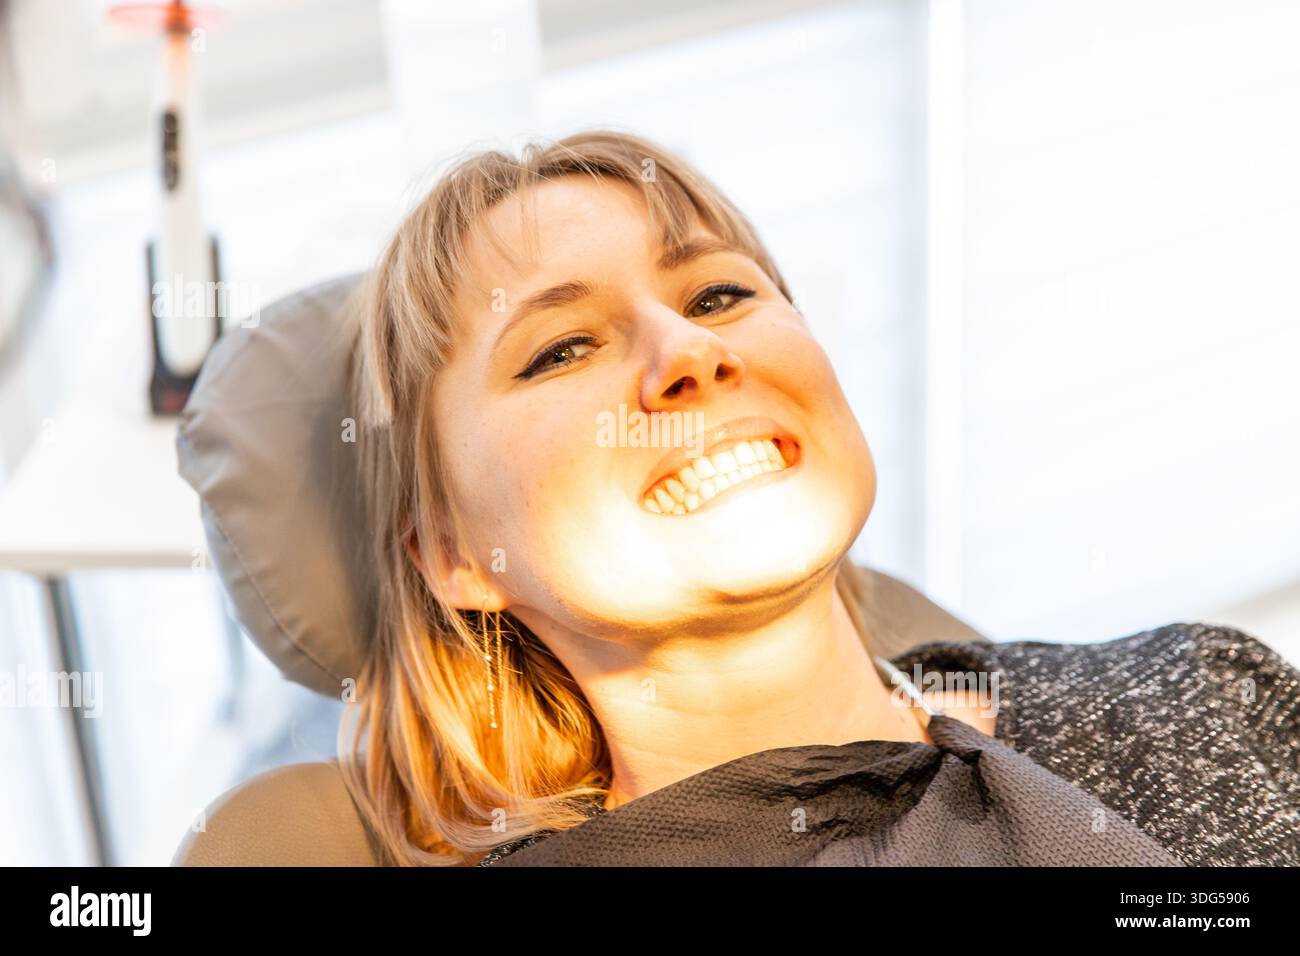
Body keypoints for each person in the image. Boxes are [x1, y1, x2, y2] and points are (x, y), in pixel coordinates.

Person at [341, 129, 1300, 867]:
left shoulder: (1206, 687)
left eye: (716, 296)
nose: (688, 352)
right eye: (562, 349)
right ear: (455, 555)